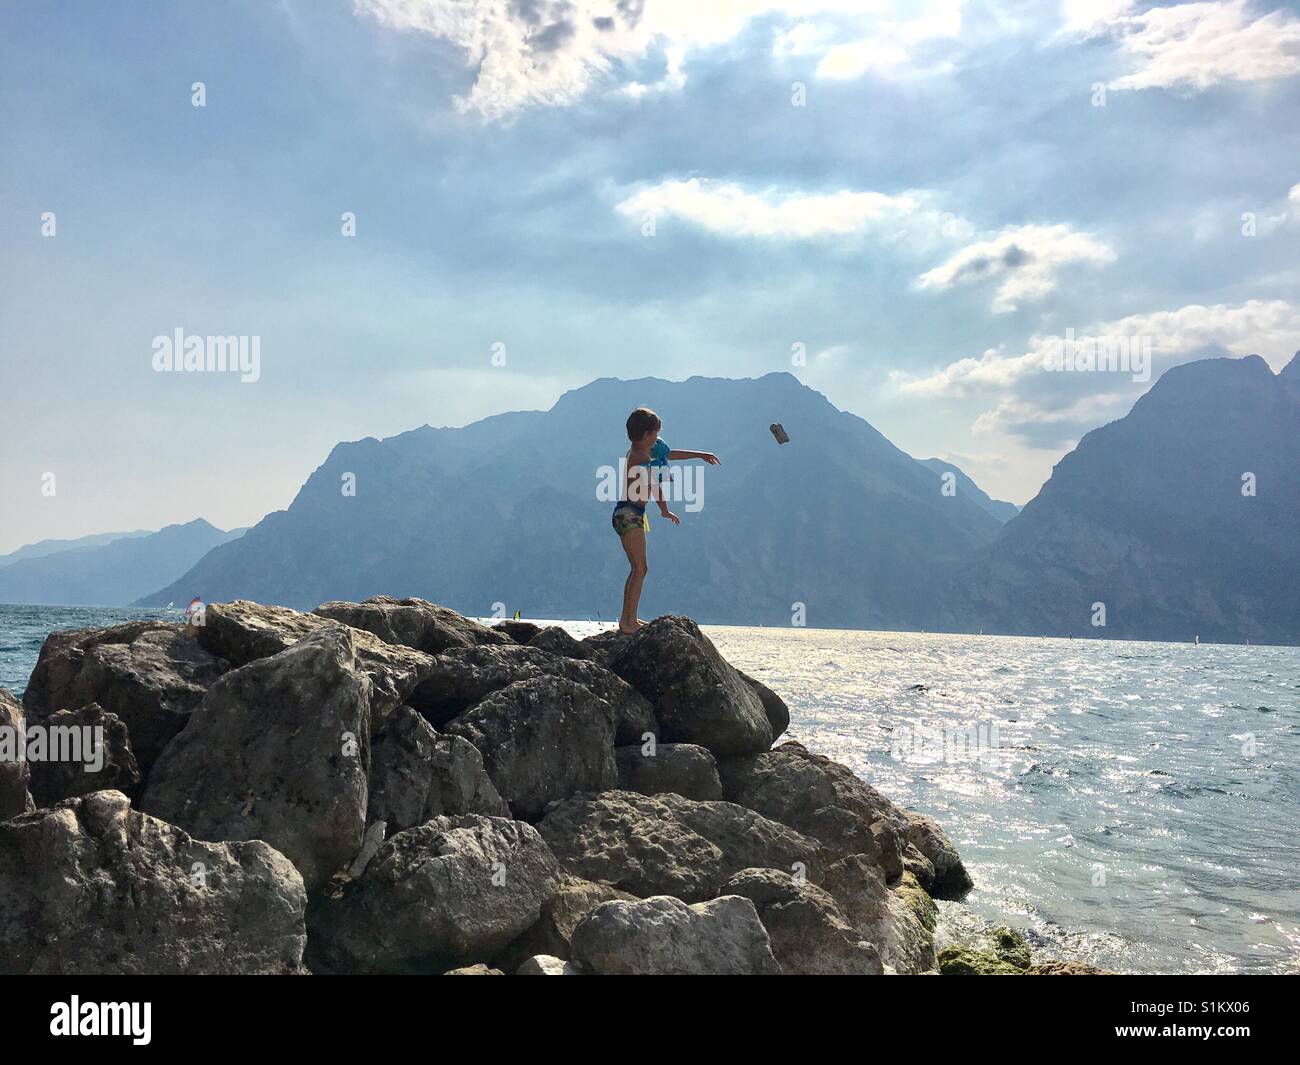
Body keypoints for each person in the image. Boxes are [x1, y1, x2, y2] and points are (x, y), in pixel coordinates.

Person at [611, 406, 719, 634]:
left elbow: (669, 454)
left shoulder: (645, 449)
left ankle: (629, 618)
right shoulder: (639, 457)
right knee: (640, 568)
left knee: (638, 569)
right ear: (645, 435)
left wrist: (700, 455)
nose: (658, 437)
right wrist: (664, 510)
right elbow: (654, 486)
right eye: (655, 433)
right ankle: (627, 622)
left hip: (630, 514)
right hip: (628, 514)